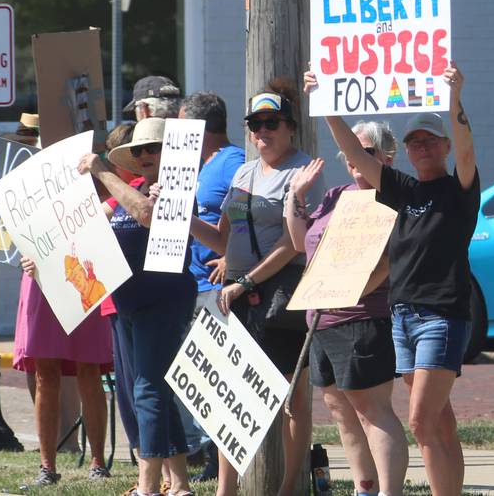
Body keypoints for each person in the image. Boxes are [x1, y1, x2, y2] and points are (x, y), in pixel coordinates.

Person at [306, 62, 478, 496]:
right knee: (440, 421)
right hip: (402, 317)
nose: (421, 146)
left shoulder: (459, 191)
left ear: (442, 147)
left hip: (442, 316)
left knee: (421, 420)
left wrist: (454, 99)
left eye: (429, 140)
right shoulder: (403, 189)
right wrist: (328, 106)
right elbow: (356, 154)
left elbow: (467, 148)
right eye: (413, 141)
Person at [189, 79, 324, 496]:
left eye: (271, 122)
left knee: (291, 398)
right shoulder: (245, 171)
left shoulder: (303, 172)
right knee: (231, 395)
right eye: (255, 123)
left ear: (289, 128)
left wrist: (245, 280)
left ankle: (288, 487)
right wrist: (178, 217)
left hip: (281, 291)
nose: (262, 131)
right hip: (235, 295)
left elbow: (292, 244)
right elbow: (222, 238)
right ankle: (225, 490)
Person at [0, 119, 112, 486]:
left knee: (89, 368)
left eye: (38, 137)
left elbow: (105, 202)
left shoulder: (85, 163)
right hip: (40, 277)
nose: (34, 144)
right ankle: (47, 467)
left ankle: (98, 462)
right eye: (29, 138)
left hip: (84, 270)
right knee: (45, 371)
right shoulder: (18, 172)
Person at [284, 121, 408, 496]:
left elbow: (388, 261)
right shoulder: (337, 195)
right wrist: (295, 194)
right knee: (340, 411)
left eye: (365, 151)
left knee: (371, 410)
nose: (355, 159)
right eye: (350, 152)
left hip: (362, 317)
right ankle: (364, 488)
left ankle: (389, 491)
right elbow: (297, 242)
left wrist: (348, 292)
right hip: (321, 320)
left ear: (386, 155)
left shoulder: (391, 195)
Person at [83, 117, 197, 496]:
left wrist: (101, 170)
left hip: (161, 300)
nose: (146, 155)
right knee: (151, 392)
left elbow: (145, 215)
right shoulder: (136, 188)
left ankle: (148, 487)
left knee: (147, 390)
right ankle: (178, 484)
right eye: (139, 150)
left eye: (154, 148)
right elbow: (99, 228)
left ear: (172, 152)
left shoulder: (178, 187)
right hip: (130, 304)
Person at [177, 91, 245, 481]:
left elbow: (246, 214)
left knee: (219, 379)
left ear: (198, 127)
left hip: (214, 287)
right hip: (191, 284)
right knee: (200, 380)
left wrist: (231, 256)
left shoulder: (233, 163)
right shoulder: (200, 167)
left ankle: (218, 462)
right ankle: (209, 454)